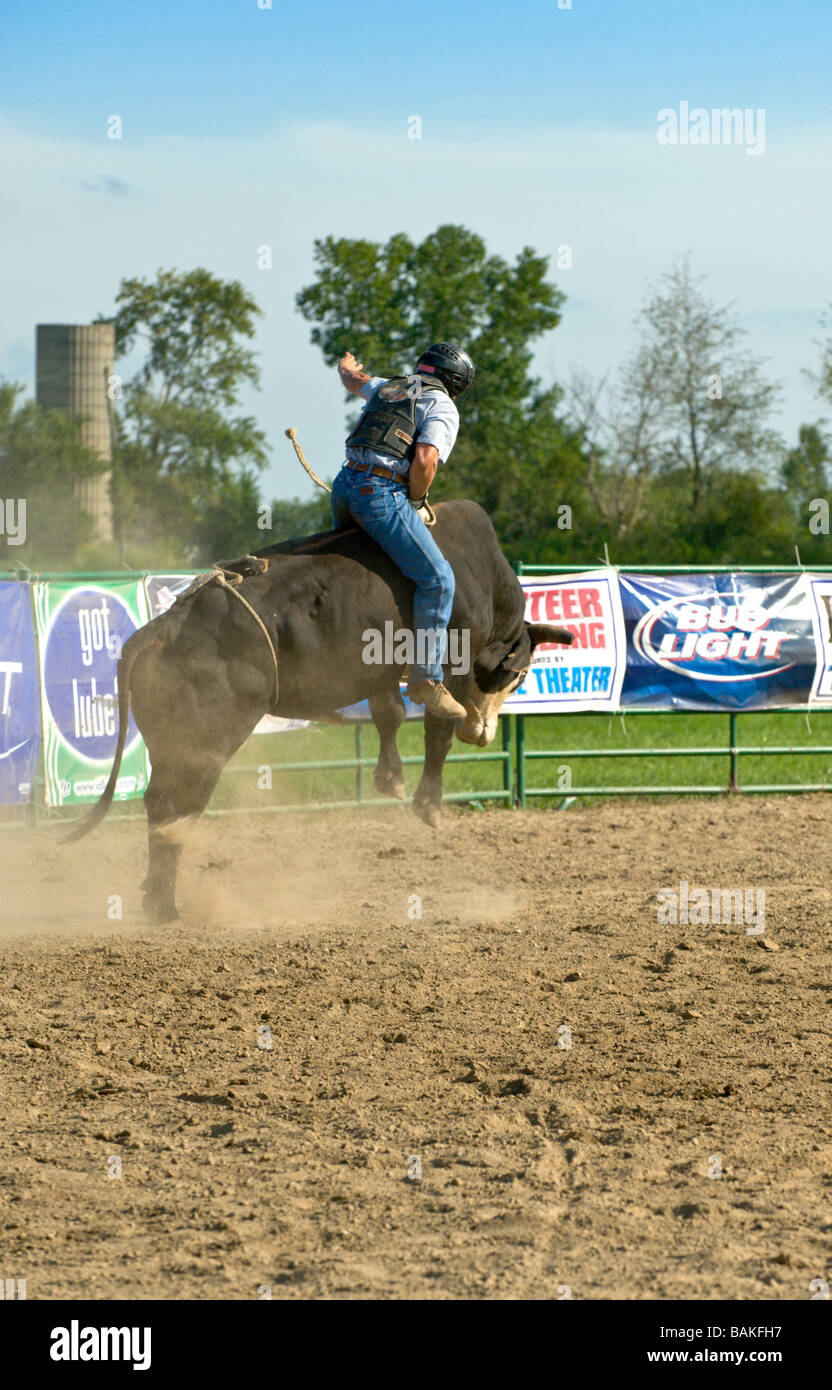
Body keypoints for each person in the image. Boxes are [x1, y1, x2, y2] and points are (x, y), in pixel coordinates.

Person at [331, 342, 476, 719]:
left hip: (344, 488)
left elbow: (355, 380)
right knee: (439, 579)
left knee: (351, 571)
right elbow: (425, 461)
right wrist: (414, 499)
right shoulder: (442, 405)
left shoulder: (390, 387)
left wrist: (345, 365)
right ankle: (426, 678)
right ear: (456, 382)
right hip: (379, 494)